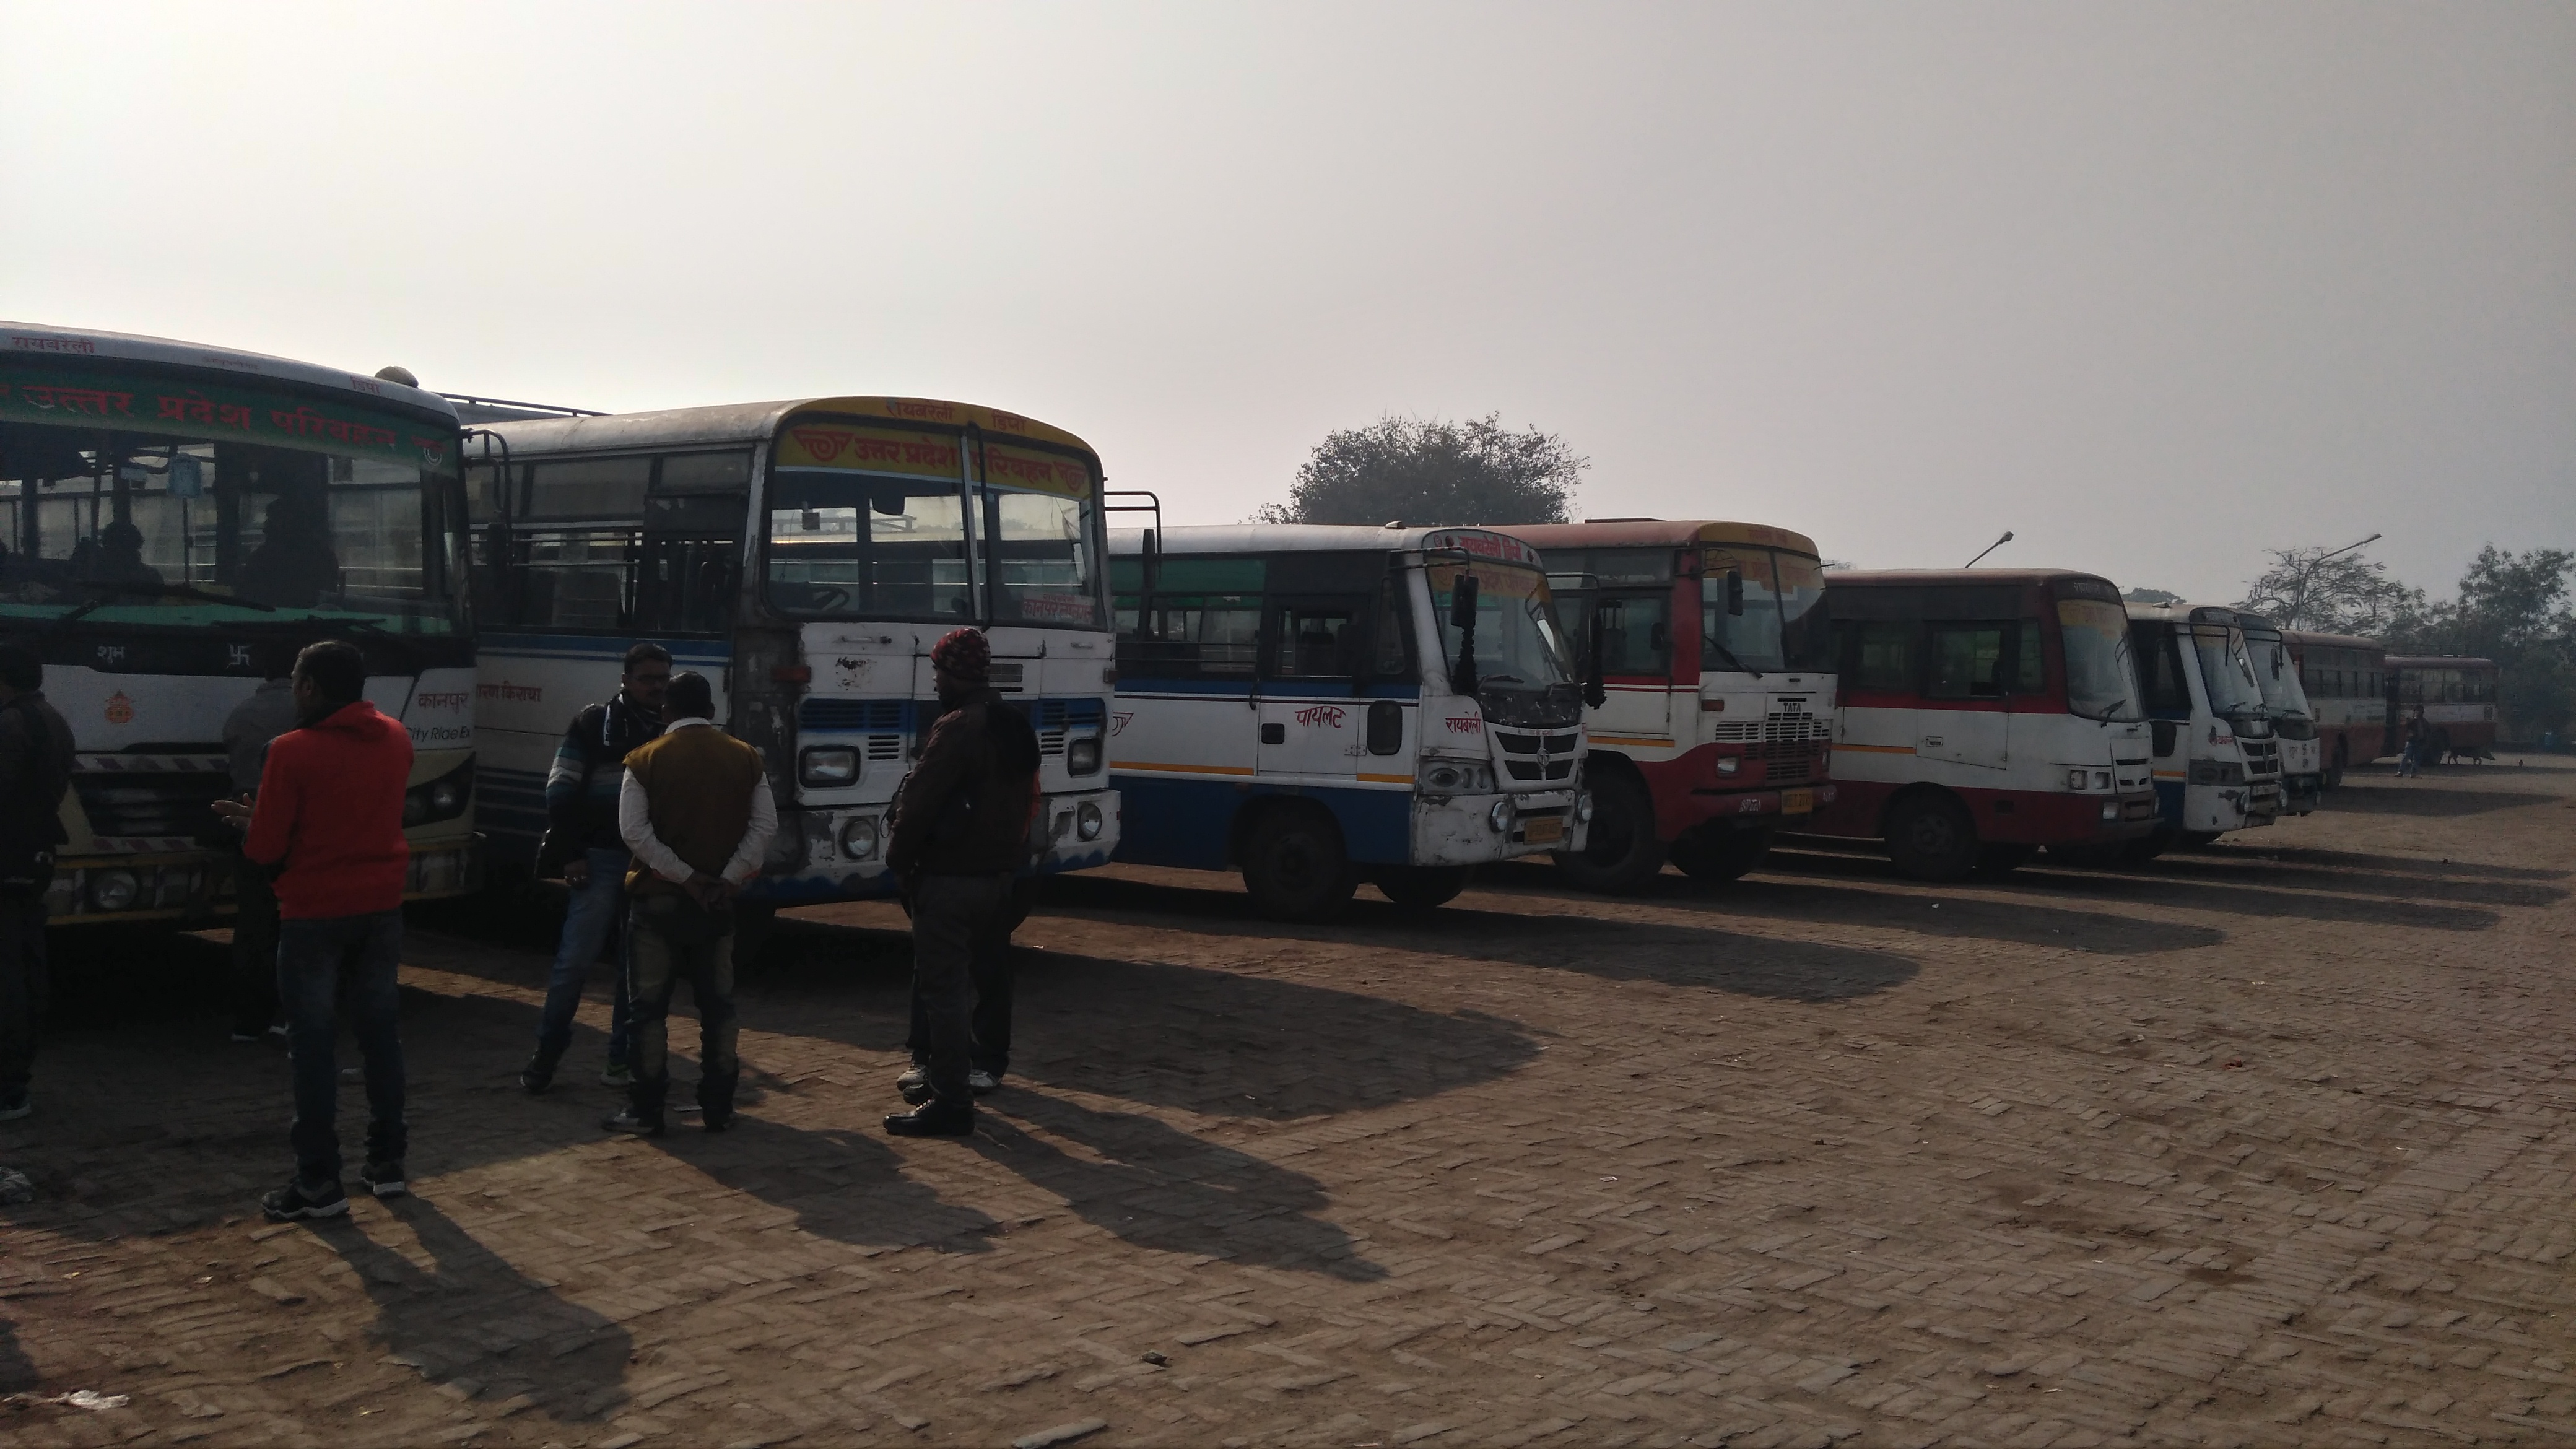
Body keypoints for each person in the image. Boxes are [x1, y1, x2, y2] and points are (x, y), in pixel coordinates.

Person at [215, 640, 415, 1221]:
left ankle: (317, 1182)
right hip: (381, 906)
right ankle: (387, 1164)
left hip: (312, 913)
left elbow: (267, 848)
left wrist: (253, 823)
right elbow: (354, 814)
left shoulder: (291, 751)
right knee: (381, 1037)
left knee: (313, 1048)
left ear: (308, 688)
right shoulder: (397, 738)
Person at [882, 627, 1040, 1139]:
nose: (935, 681)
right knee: (990, 975)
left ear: (953, 673)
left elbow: (918, 806)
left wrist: (898, 863)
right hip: (998, 879)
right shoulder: (1014, 725)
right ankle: (978, 1068)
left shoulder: (957, 728)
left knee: (944, 992)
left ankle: (950, 1100)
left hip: (949, 880)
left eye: (938, 671)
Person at [606, 670, 774, 1137]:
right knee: (718, 1007)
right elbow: (764, 829)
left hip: (657, 902)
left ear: (666, 711)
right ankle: (719, 1106)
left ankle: (646, 1109)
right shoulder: (744, 758)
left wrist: (684, 877)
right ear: (713, 711)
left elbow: (634, 833)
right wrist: (723, 879)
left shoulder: (644, 759)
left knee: (649, 1010)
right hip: (717, 905)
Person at [520, 642, 670, 1094]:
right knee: (574, 963)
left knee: (636, 969)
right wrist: (572, 853)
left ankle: (621, 1062)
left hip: (647, 865)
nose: (656, 687)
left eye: (663, 679)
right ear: (625, 681)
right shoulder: (594, 724)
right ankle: (545, 1058)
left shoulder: (671, 731)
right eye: (647, 679)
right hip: (600, 862)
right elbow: (560, 791)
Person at [0, 645, 74, 1123]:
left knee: (7, 975)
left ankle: (8, 1088)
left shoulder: (10, 724)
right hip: (33, 857)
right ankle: (16, 1080)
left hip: (6, 857)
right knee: (26, 965)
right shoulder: (53, 718)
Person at [220, 640, 301, 1046]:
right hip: (296, 831)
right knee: (295, 926)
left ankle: (249, 1021)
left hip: (248, 825)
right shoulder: (309, 713)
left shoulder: (241, 713)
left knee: (253, 923)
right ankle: (289, 1015)